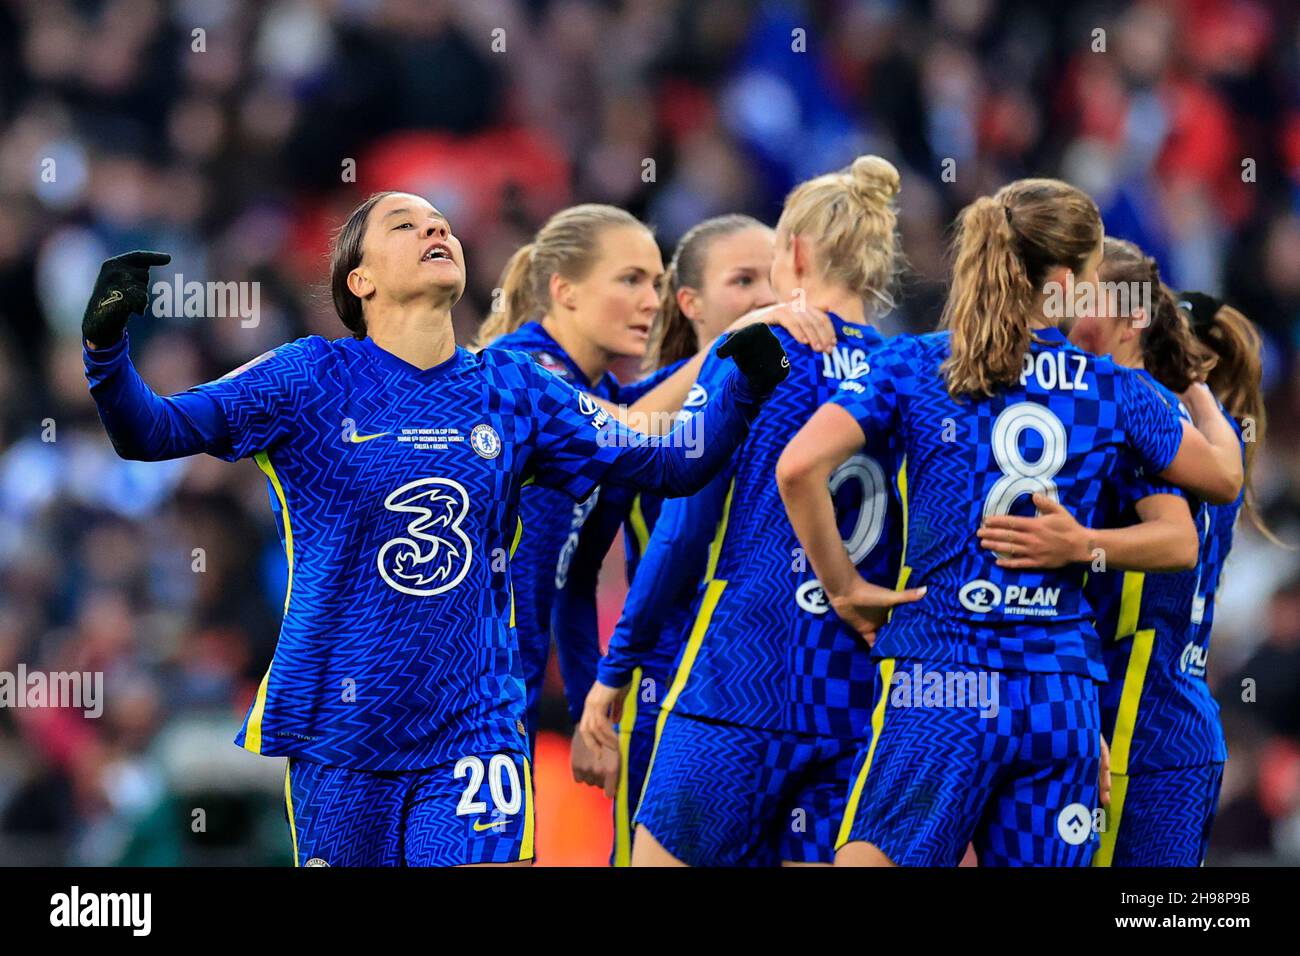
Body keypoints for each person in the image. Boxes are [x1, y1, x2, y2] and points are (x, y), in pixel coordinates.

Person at [80, 191, 789, 867]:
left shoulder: (514, 389)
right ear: (359, 280)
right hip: (341, 732)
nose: (435, 231)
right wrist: (106, 339)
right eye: (404, 226)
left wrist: (750, 375)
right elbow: (152, 430)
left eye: (441, 223)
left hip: (473, 723)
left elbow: (668, 461)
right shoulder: (309, 378)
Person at [777, 179, 1244, 867]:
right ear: (1063, 281)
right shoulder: (1118, 391)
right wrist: (1085, 545)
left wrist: (842, 585)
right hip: (1060, 695)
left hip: (939, 679)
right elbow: (1220, 484)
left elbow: (798, 468)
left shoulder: (916, 363)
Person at [583, 156, 908, 866]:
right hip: (854, 694)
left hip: (740, 683)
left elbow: (684, 530)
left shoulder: (762, 352)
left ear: (792, 252)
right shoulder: (912, 370)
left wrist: (616, 671)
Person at [977, 242, 1276, 865]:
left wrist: (1078, 545)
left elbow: (1174, 544)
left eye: (1078, 298)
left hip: (1137, 731)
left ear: (1132, 316)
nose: (1059, 314)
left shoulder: (1129, 416)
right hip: (1153, 726)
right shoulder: (1196, 429)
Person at [559, 214, 777, 864]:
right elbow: (580, 572)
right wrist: (596, 693)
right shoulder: (648, 407)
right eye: (744, 281)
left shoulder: (831, 407)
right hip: (670, 691)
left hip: (791, 692)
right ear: (693, 303)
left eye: (776, 278)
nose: (767, 297)